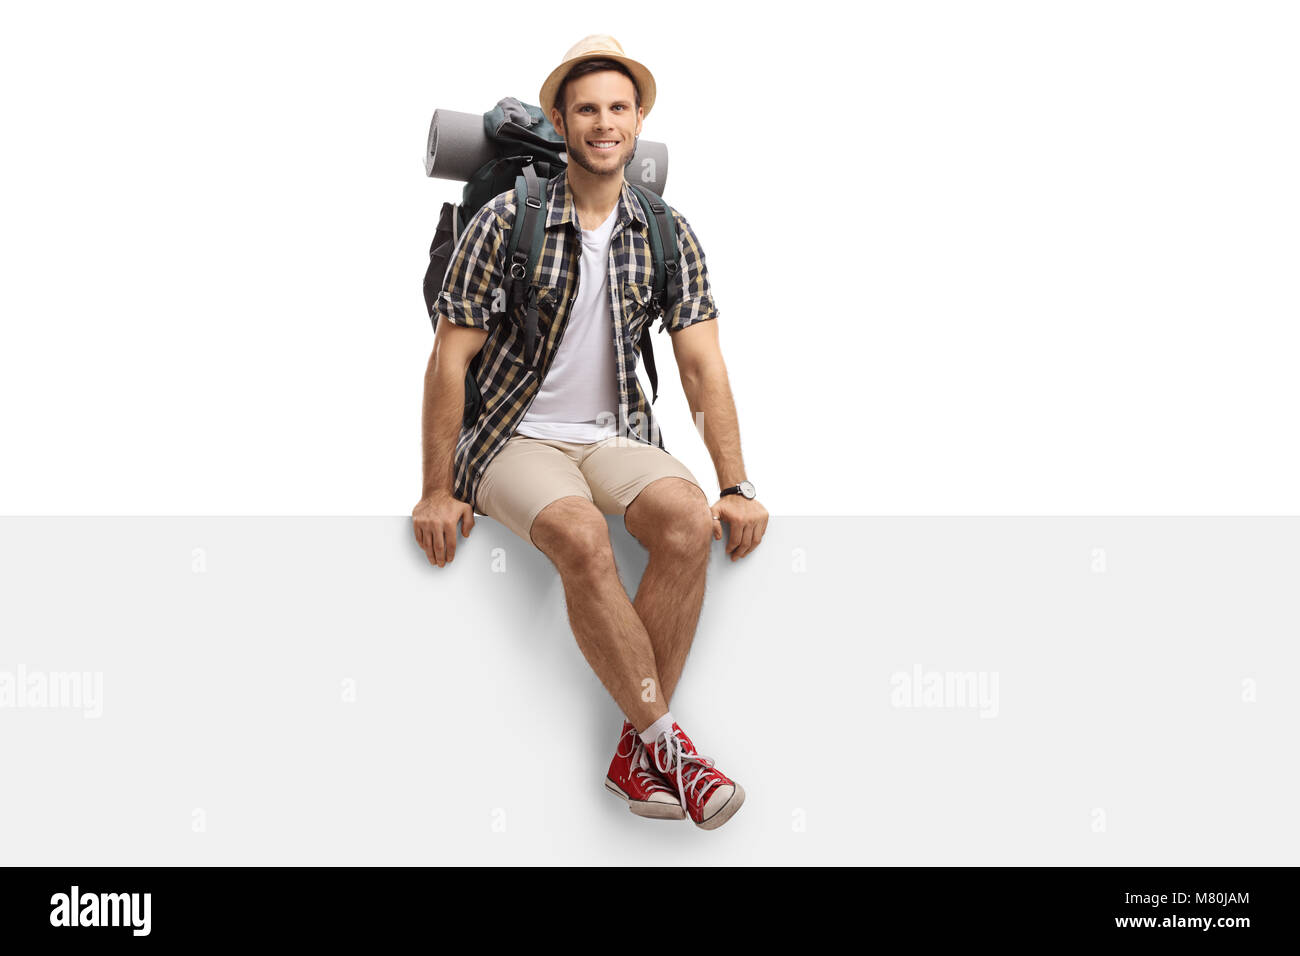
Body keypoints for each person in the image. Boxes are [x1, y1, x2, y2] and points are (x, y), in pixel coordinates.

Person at [412, 35, 767, 831]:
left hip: (616, 434)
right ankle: (671, 749)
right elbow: (448, 360)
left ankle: (635, 754)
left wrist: (736, 484)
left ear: (638, 120)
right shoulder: (508, 219)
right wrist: (436, 488)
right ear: (560, 121)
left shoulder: (666, 231)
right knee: (579, 535)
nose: (603, 123)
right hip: (512, 437)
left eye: (617, 108)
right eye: (586, 110)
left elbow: (702, 368)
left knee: (686, 523)